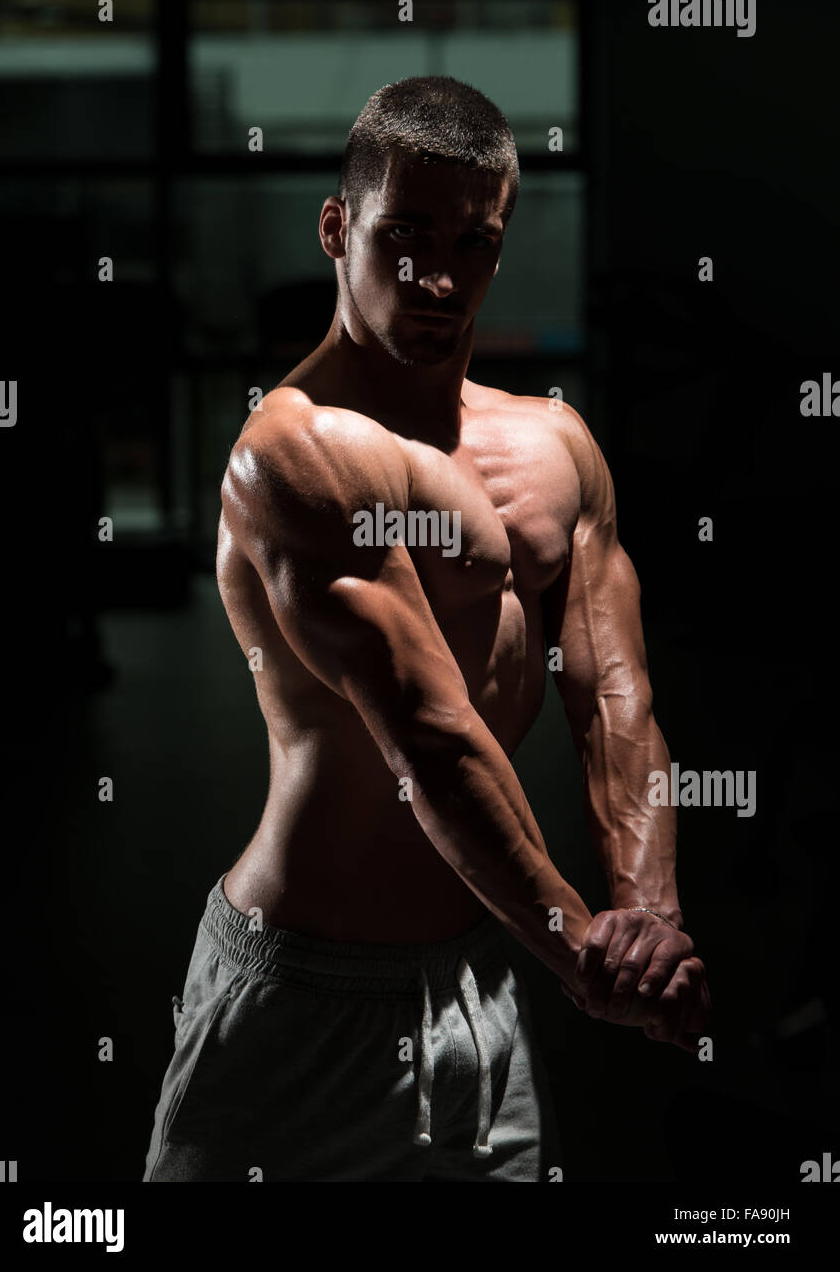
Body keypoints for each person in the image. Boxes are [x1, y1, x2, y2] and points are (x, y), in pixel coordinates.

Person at [143, 75, 710, 1183]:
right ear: (336, 227)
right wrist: (587, 952)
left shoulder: (556, 448)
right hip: (297, 995)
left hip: (481, 978)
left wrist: (648, 919)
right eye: (404, 236)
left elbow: (615, 700)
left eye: (475, 241)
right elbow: (432, 742)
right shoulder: (295, 453)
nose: (441, 277)